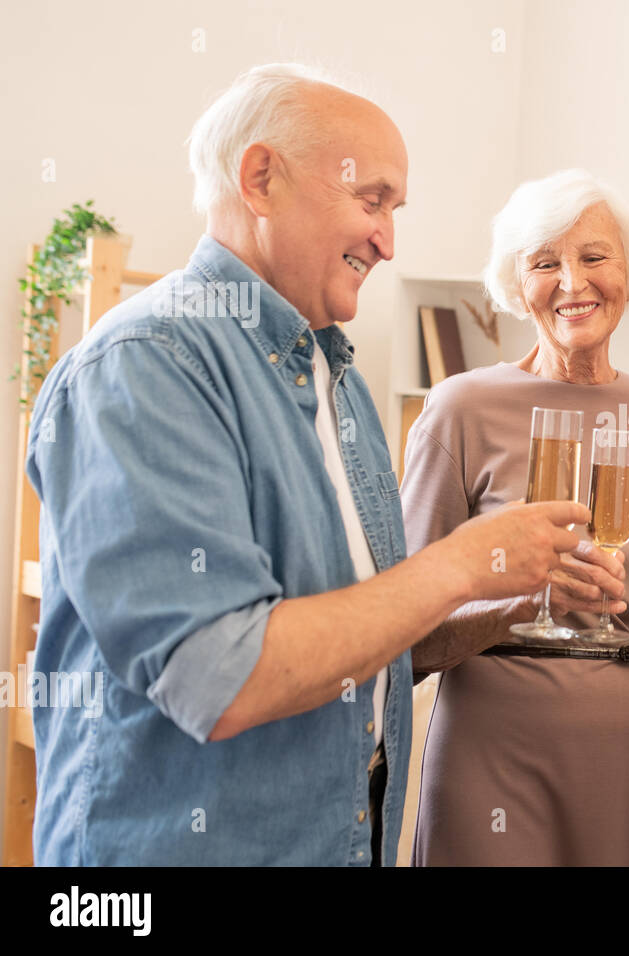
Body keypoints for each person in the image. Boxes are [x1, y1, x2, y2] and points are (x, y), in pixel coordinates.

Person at [25, 64, 585, 866]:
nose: (389, 241)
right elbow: (221, 675)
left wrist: (503, 600)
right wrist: (459, 566)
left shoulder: (339, 378)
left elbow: (363, 646)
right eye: (373, 200)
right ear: (261, 179)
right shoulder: (145, 364)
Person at [402, 168, 629, 866]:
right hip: (496, 756)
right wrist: (518, 604)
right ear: (517, 282)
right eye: (545, 262)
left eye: (594, 257)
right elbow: (402, 632)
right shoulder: (459, 408)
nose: (573, 283)